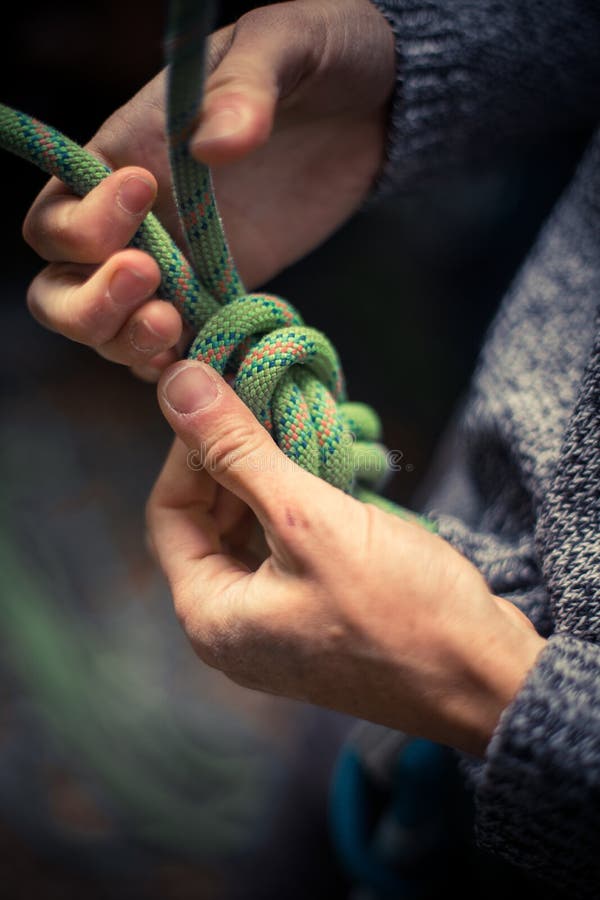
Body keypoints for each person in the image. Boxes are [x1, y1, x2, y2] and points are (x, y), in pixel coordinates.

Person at [21, 0, 600, 895]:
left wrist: (503, 696)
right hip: (407, 580)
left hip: (455, 684)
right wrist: (410, 69)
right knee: (306, 824)